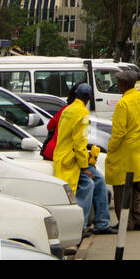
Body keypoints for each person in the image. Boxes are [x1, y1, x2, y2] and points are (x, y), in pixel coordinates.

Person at [53, 83, 116, 236]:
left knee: (99, 180)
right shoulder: (81, 113)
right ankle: (79, 228)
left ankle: (101, 223)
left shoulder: (68, 109)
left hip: (64, 156)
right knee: (87, 184)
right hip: (72, 160)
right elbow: (79, 143)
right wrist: (85, 167)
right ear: (88, 98)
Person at [105, 71, 140, 231]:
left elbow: (118, 132)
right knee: (136, 186)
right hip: (138, 148)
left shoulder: (123, 103)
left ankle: (126, 222)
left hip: (124, 150)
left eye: (118, 82)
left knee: (121, 189)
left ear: (124, 85)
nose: (117, 85)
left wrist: (111, 148)